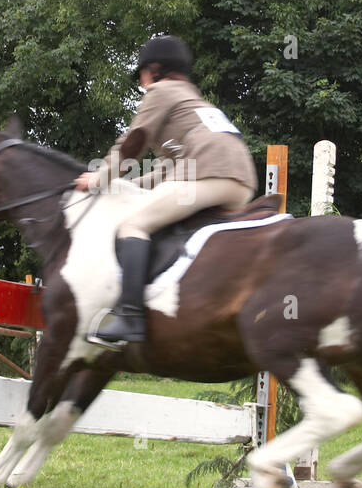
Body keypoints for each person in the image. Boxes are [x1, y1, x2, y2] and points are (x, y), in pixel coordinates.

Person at [77, 35, 258, 344]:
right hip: (240, 182)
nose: (144, 84)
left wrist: (99, 178)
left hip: (208, 174)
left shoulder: (162, 91)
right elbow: (168, 171)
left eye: (143, 76)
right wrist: (125, 186)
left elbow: (133, 143)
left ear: (156, 70)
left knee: (133, 224)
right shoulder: (197, 104)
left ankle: (130, 318)